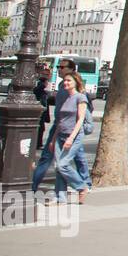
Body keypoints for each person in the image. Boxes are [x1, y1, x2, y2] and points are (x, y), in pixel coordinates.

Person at [44, 71, 91, 204]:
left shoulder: (80, 98)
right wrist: (53, 139)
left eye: (69, 81)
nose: (66, 83)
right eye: (65, 80)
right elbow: (60, 121)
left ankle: (81, 187)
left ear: (76, 82)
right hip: (60, 135)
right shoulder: (66, 98)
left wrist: (71, 138)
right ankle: (60, 197)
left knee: (63, 164)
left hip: (74, 136)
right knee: (58, 167)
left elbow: (80, 120)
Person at [33, 62, 53, 149]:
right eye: (47, 75)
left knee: (41, 128)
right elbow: (37, 91)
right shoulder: (40, 84)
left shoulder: (42, 87)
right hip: (40, 110)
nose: (49, 76)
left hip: (41, 110)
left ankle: (38, 143)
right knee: (40, 128)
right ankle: (38, 144)